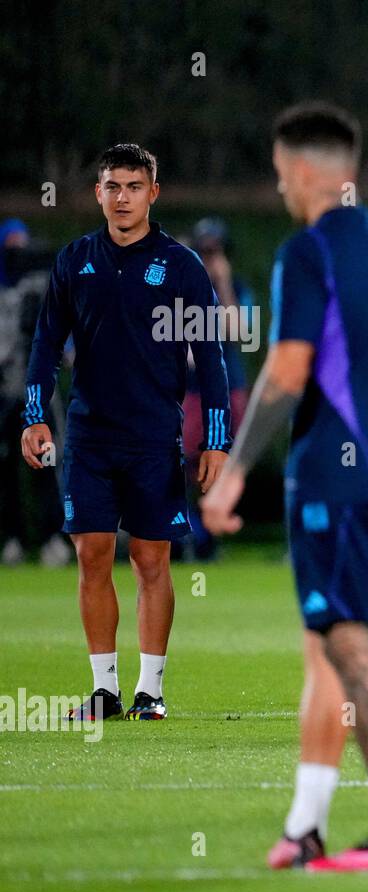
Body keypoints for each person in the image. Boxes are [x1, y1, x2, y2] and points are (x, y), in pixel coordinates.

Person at [201, 102, 368, 871]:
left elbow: (287, 369)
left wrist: (236, 470)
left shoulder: (307, 251)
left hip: (334, 483)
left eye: (282, 173)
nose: (280, 187)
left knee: (349, 647)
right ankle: (304, 823)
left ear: (309, 171)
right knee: (326, 649)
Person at [20, 144, 232, 723]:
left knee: (149, 559)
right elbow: (44, 346)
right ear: (98, 193)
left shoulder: (182, 265)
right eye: (112, 186)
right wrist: (33, 414)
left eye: (134, 186)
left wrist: (216, 439)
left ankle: (151, 690)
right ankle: (104, 691)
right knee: (91, 554)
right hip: (89, 436)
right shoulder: (74, 261)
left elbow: (210, 356)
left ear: (153, 193)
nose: (122, 197)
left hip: (153, 438)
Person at [181, 217, 252, 561]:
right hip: (192, 393)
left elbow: (240, 333)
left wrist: (222, 285)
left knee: (221, 463)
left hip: (226, 392)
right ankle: (188, 535)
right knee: (184, 464)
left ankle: (209, 539)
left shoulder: (236, 288)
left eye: (215, 251)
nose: (209, 258)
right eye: (203, 251)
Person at [1, 219, 70, 567]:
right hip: (5, 391)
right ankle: (11, 539)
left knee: (46, 462)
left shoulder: (43, 288)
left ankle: (51, 538)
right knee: (6, 467)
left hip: (39, 396)